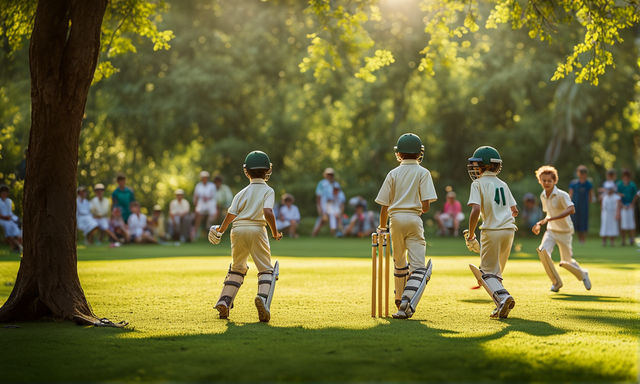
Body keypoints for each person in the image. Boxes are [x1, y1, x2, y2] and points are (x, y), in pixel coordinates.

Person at [208, 151, 283, 322]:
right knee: (265, 269)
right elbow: (268, 212)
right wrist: (275, 232)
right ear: (267, 171)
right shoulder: (268, 190)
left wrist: (220, 229)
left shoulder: (241, 192)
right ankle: (262, 299)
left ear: (246, 171)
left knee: (237, 267)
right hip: (257, 229)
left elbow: (231, 214)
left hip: (238, 230)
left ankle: (224, 301)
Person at [375, 133, 437, 319]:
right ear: (419, 153)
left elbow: (384, 205)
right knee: (418, 266)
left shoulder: (393, 173)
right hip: (413, 218)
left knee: (399, 261)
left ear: (399, 154)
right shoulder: (423, 172)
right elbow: (426, 206)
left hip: (395, 219)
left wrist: (381, 227)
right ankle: (407, 301)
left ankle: (399, 295)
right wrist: (417, 207)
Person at [463, 146, 518, 319]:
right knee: (497, 272)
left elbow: (475, 211)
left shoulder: (477, 184)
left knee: (486, 273)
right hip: (509, 230)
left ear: (482, 166)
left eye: (476, 165)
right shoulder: (503, 184)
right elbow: (514, 210)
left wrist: (471, 235)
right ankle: (500, 306)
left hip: (491, 231)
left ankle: (504, 297)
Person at [532, 166, 591, 292]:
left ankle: (583, 274)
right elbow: (549, 214)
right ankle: (556, 283)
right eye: (544, 180)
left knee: (566, 262)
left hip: (565, 232)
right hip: (551, 231)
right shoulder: (543, 195)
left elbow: (572, 209)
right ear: (540, 181)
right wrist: (540, 223)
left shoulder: (562, 195)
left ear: (555, 181)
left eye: (549, 180)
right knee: (543, 252)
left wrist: (551, 219)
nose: (546, 183)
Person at [568, 165, 593, 243]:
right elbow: (570, 194)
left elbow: (591, 195)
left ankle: (583, 240)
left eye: (583, 172)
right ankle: (577, 239)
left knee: (584, 222)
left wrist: (590, 201)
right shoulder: (573, 183)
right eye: (580, 172)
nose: (582, 174)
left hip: (584, 206)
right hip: (575, 206)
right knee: (575, 222)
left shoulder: (588, 184)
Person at [312, 168, 338, 236]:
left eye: (331, 175)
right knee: (322, 219)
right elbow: (318, 196)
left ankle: (334, 234)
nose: (330, 176)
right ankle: (314, 233)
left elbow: (338, 196)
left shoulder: (336, 184)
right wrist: (319, 207)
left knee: (334, 218)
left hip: (333, 205)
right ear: (325, 175)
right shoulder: (321, 183)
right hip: (324, 205)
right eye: (328, 174)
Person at [193, 170, 217, 239]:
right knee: (198, 214)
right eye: (203, 177)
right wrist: (195, 205)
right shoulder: (198, 186)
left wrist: (207, 198)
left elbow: (213, 196)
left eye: (205, 177)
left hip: (210, 202)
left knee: (213, 214)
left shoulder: (212, 185)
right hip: (201, 203)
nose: (204, 179)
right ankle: (196, 233)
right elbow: (196, 196)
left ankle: (210, 228)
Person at [0, 184, 22, 253]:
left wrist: (13, 218)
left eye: (6, 192)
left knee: (17, 229)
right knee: (8, 230)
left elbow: (10, 213)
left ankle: (15, 247)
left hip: (10, 219)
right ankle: (18, 246)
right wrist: (5, 218)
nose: (4, 194)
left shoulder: (9, 201)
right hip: (2, 220)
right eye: (3, 192)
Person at [617, 169, 637, 246]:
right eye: (625, 177)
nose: (626, 178)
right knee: (623, 225)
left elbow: (635, 196)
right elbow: (618, 195)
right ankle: (623, 240)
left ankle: (632, 239)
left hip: (630, 207)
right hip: (623, 207)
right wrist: (621, 205)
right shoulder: (620, 185)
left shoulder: (632, 185)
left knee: (631, 224)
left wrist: (632, 204)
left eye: (627, 177)